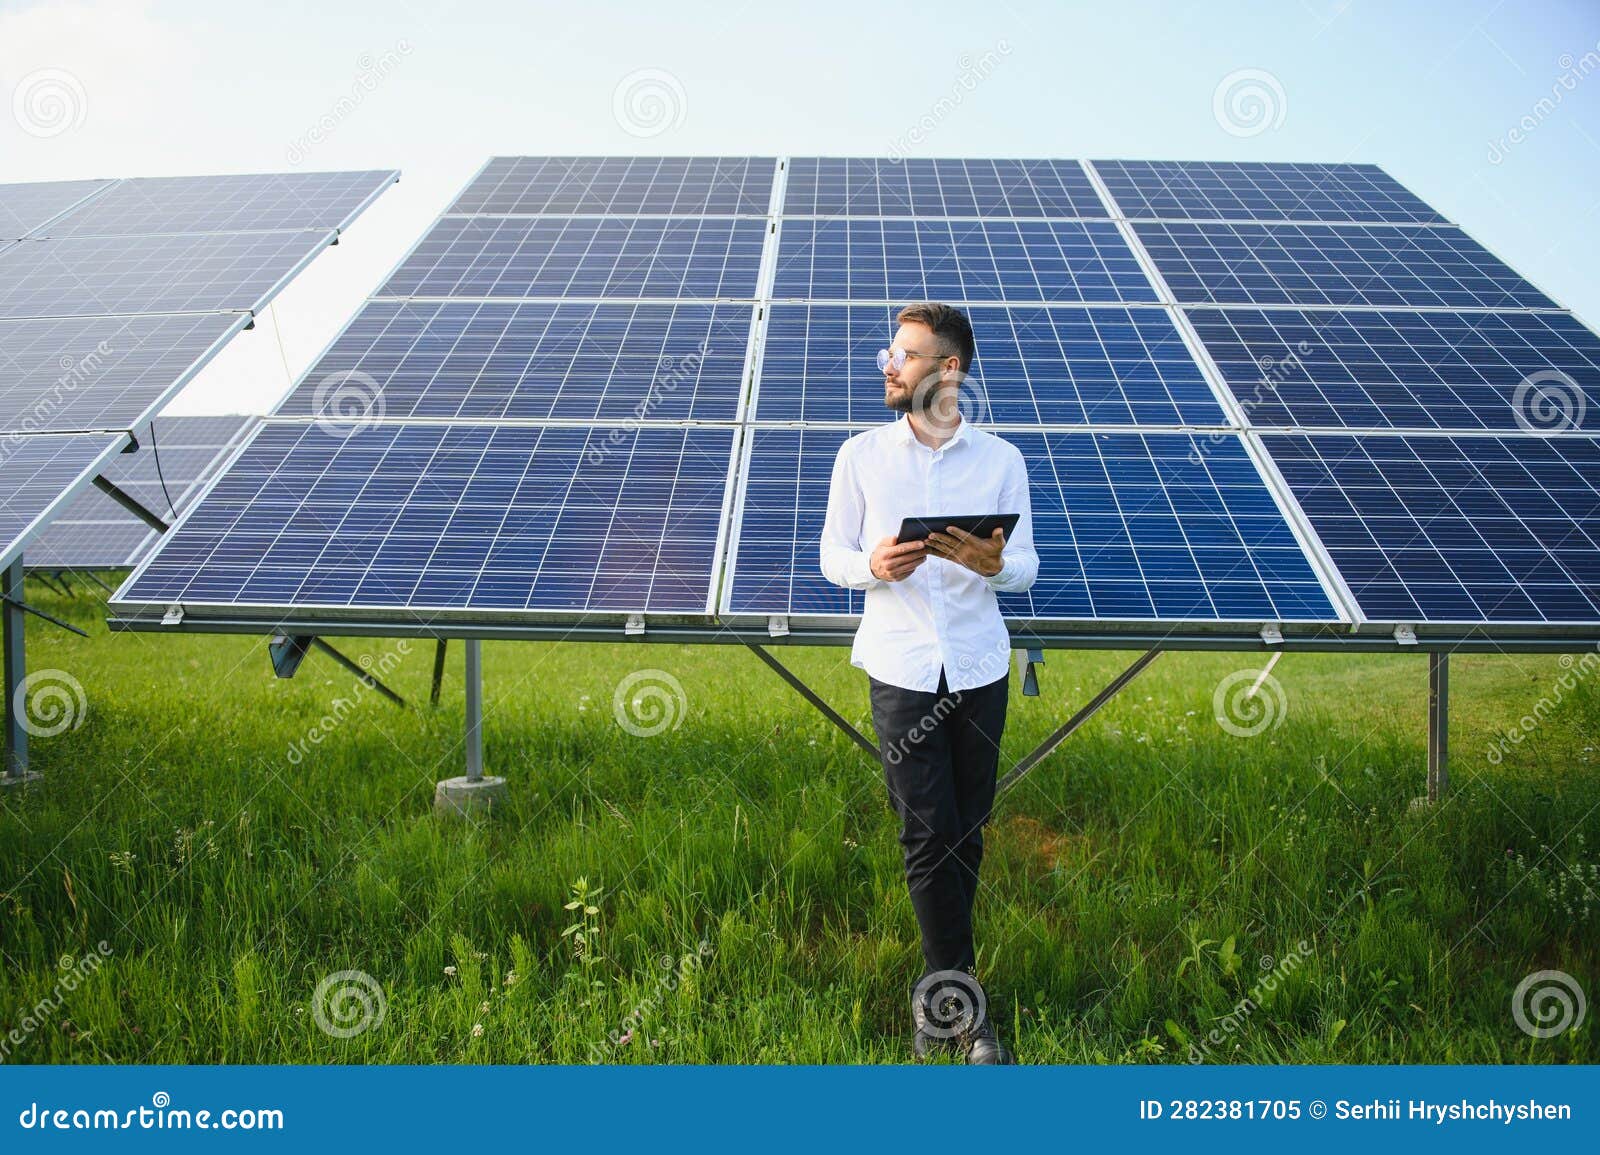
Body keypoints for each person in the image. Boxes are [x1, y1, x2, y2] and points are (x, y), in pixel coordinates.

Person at [819, 301, 1039, 1064]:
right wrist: (872, 565)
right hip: (903, 668)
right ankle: (960, 1007)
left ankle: (941, 982)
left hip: (979, 665)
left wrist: (994, 566)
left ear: (949, 369)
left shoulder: (1001, 459)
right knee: (926, 832)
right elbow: (832, 556)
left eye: (905, 354)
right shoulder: (861, 455)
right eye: (891, 352)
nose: (889, 364)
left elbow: (1026, 565)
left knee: (967, 830)